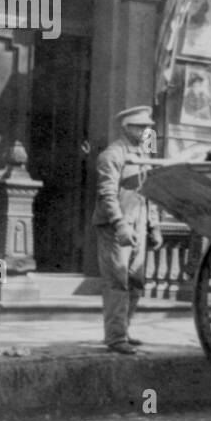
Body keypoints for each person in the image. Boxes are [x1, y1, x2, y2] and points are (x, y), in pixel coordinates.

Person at [93, 106, 163, 354]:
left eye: (148, 128)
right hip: (116, 227)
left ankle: (124, 330)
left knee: (135, 281)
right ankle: (115, 337)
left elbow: (149, 192)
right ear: (127, 128)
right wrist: (120, 224)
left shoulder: (143, 154)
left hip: (139, 223)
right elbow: (107, 195)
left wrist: (154, 226)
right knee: (117, 281)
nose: (146, 131)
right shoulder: (111, 155)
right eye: (141, 127)